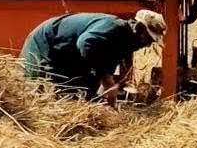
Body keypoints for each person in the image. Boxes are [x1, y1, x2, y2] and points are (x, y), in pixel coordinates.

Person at [20, 10, 167, 105]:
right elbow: (85, 43)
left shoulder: (124, 43)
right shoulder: (114, 27)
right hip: (45, 44)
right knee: (39, 91)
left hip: (64, 52)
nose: (148, 45)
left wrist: (108, 94)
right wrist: (106, 79)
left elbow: (104, 70)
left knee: (80, 92)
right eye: (148, 39)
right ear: (139, 29)